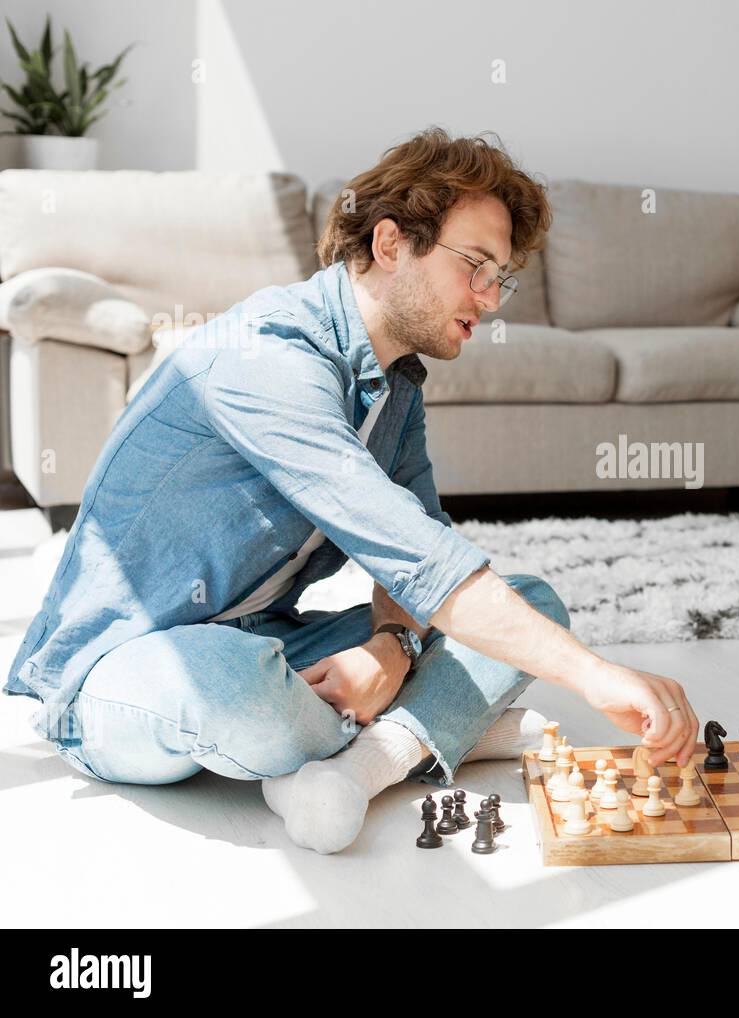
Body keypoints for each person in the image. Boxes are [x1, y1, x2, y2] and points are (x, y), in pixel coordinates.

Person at [5, 127, 699, 854]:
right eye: (477, 266)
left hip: (268, 642)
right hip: (126, 671)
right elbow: (426, 566)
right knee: (233, 692)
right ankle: (426, 731)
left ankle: (354, 771)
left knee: (529, 602)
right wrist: (594, 676)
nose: (491, 299)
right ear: (392, 243)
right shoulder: (270, 356)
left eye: (503, 276)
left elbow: (418, 554)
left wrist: (390, 648)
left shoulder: (394, 387)